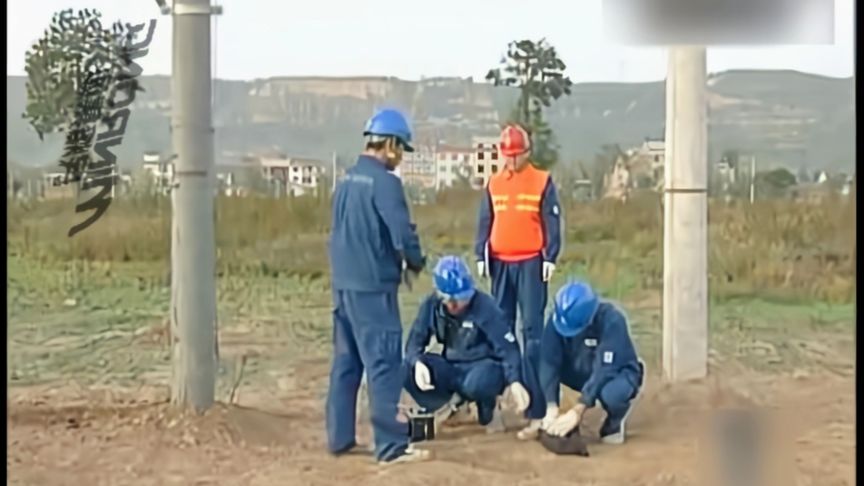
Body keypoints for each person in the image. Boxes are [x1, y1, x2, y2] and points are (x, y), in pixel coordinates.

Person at [326, 108, 429, 465]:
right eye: (401, 149)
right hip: (373, 288)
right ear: (389, 144)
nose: (400, 158)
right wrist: (415, 261)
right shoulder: (386, 184)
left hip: (343, 287)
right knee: (384, 364)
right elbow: (401, 231)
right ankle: (391, 446)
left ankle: (339, 438)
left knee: (346, 363)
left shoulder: (347, 180)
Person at [473, 122, 562, 439]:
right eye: (506, 155)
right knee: (500, 331)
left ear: (528, 152)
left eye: (516, 155)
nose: (511, 161)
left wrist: (550, 256)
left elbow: (552, 220)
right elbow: (486, 220)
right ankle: (494, 403)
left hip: (530, 264)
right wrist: (480, 254)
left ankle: (538, 408)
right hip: (500, 265)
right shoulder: (494, 183)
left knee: (532, 333)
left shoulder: (541, 181)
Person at [403, 256, 531, 431]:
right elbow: (414, 341)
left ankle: (488, 407)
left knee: (478, 383)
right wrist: (417, 363)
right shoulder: (431, 306)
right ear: (443, 297)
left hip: (482, 366)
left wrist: (515, 381)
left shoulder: (486, 307)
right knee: (405, 368)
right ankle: (443, 407)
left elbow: (508, 348)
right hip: (451, 365)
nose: (460, 303)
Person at [539, 281, 646, 445]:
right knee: (534, 353)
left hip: (614, 372)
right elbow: (548, 361)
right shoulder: (558, 319)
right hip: (581, 368)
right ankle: (544, 415)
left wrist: (579, 409)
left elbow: (604, 370)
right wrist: (550, 404)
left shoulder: (612, 321)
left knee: (613, 394)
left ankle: (614, 424)